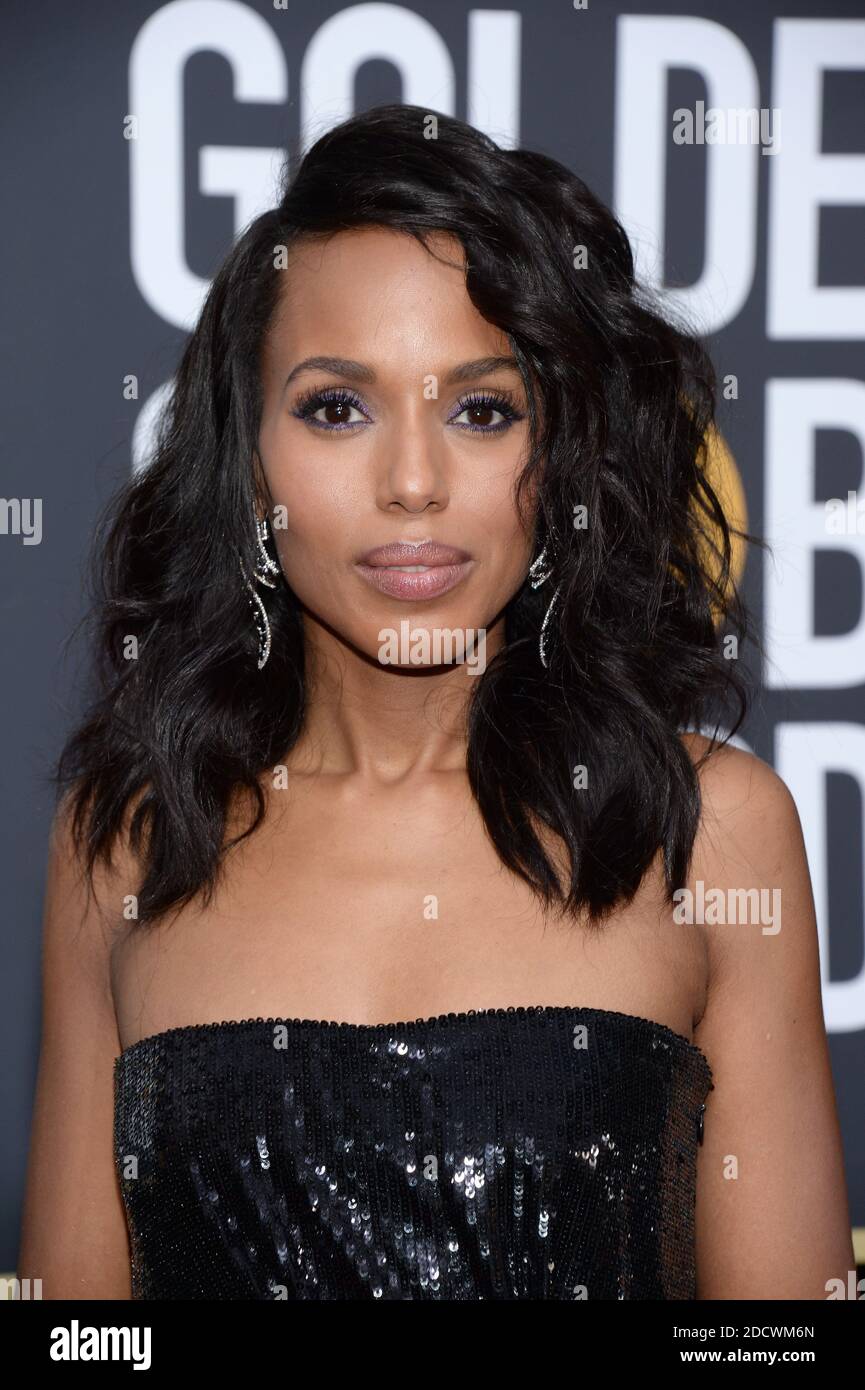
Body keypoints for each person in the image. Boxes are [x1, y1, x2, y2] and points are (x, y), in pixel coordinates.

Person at [17, 104, 854, 1300]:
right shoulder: (128, 838)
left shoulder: (711, 827)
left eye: (481, 409)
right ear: (248, 462)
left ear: (559, 453)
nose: (413, 483)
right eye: (336, 407)